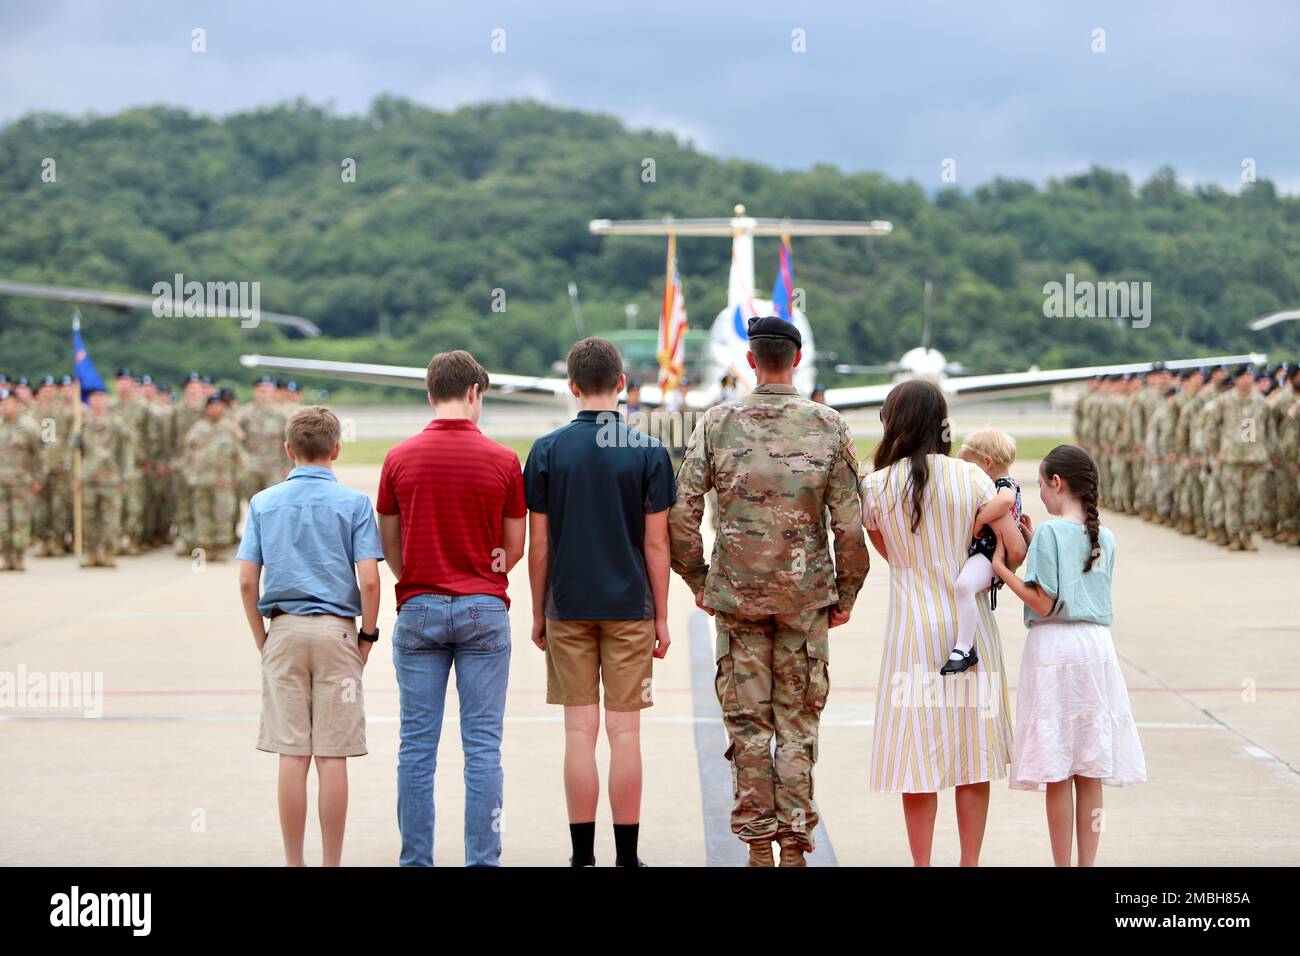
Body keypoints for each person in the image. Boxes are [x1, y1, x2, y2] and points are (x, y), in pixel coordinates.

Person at [671, 316, 868, 867]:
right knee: (798, 724)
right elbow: (850, 527)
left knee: (749, 725)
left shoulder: (717, 423)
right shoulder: (827, 426)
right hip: (805, 602)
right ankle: (795, 846)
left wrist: (700, 580)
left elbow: (682, 513)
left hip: (737, 600)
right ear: (797, 359)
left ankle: (758, 840)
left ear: (751, 361)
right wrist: (846, 593)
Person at [526, 337, 675, 868]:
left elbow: (537, 545)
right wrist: (661, 614)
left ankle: (581, 857)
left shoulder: (546, 451)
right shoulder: (649, 451)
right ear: (622, 387)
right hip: (630, 606)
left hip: (567, 605)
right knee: (625, 732)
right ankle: (628, 859)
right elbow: (656, 544)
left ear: (571, 387)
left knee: (579, 732)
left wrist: (538, 608)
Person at [860, 379, 1018, 867]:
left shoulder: (876, 485)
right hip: (968, 632)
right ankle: (969, 862)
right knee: (973, 756)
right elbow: (1011, 549)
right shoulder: (971, 479)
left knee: (916, 757)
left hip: (910, 630)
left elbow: (887, 552)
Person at [378, 350, 526, 867]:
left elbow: (389, 541)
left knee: (416, 747)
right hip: (483, 607)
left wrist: (416, 577)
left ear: (429, 394)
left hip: (418, 604)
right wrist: (485, 571)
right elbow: (514, 546)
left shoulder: (398, 458)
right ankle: (482, 858)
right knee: (482, 748)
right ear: (473, 393)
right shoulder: (505, 460)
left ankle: (416, 859)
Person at [237, 405, 383, 867]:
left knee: (291, 753)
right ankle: (331, 862)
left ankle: (293, 861)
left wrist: (264, 639)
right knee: (333, 755)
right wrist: (367, 637)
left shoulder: (263, 503)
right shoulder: (356, 504)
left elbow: (246, 581)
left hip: (283, 629)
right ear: (336, 450)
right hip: (337, 633)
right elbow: (371, 580)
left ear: (288, 450)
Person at [990, 444, 1146, 866]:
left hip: (1055, 648)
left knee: (1058, 766)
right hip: (1096, 649)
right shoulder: (1105, 536)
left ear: (1057, 483)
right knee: (1090, 767)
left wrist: (1003, 570)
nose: (1040, 493)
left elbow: (1043, 602)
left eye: (1041, 485)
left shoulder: (1050, 534)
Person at [941, 427, 1027, 675]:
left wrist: (979, 521)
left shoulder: (1003, 484)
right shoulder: (995, 484)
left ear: (986, 462)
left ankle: (964, 647)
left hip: (990, 554)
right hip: (986, 553)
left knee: (963, 586)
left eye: (969, 466)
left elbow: (1006, 501)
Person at [1203, 365, 1275, 551]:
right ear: (1236, 379)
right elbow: (1211, 428)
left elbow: (1270, 431)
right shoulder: (1224, 402)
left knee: (1253, 499)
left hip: (1256, 459)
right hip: (1231, 459)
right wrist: (1214, 451)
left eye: (1249, 375)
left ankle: (1248, 535)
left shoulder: (1261, 402)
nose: (1247, 379)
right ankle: (1234, 536)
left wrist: (1272, 453)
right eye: (1243, 376)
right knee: (1232, 499)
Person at [182, 395, 245, 561]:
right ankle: (205, 546)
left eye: (219, 406)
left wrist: (238, 476)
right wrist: (188, 475)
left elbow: (239, 455)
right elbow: (187, 455)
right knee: (202, 513)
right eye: (212, 406)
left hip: (223, 480)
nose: (215, 409)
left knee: (223, 513)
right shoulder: (197, 429)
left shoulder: (231, 429)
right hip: (200, 479)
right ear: (206, 408)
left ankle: (221, 547)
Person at [77, 386, 133, 568]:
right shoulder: (81, 423)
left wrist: (125, 477)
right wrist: (75, 476)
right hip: (88, 478)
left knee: (110, 519)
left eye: (101, 397)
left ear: (107, 400)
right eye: (94, 398)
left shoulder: (116, 423)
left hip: (111, 478)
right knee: (89, 518)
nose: (97, 401)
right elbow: (76, 454)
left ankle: (109, 553)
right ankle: (92, 553)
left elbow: (125, 452)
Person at [0, 388, 42, 571]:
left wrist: (37, 478)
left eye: (7, 403)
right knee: (2, 523)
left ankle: (19, 557)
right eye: (1, 404)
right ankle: (6, 557)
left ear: (16, 404)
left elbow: (39, 455)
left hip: (21, 483)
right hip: (1, 483)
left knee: (20, 521)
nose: (4, 407)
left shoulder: (29, 426)